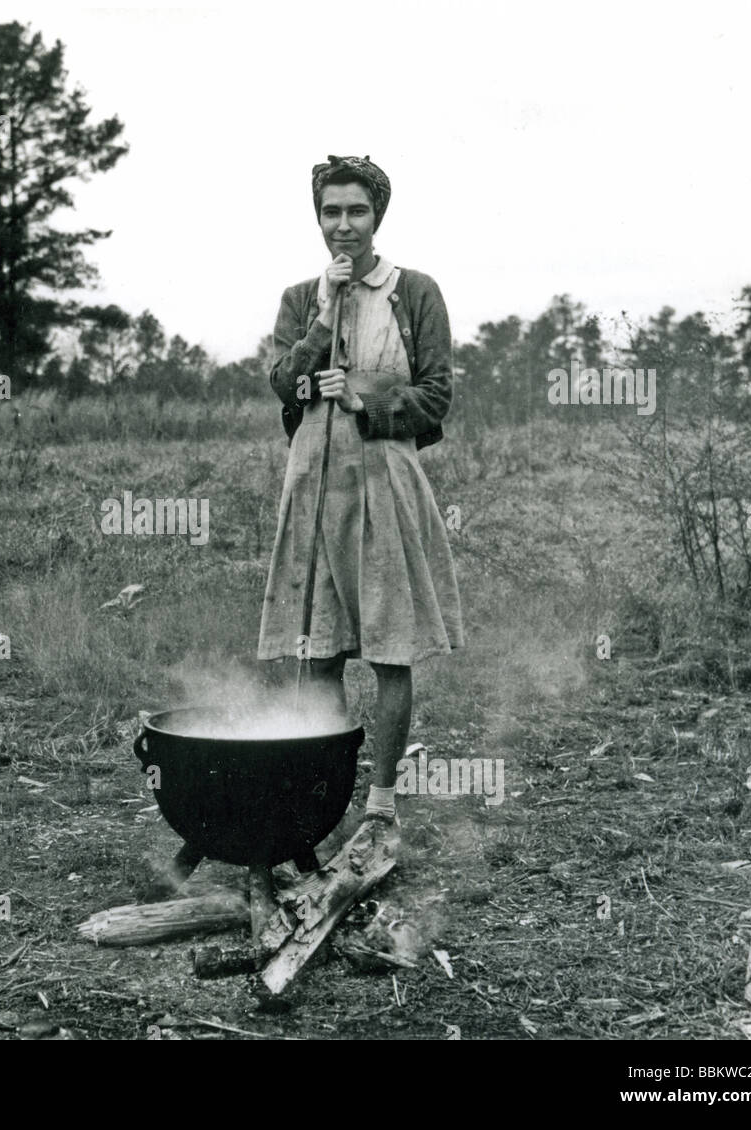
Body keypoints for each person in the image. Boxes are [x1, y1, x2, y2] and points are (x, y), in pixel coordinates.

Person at [258, 155, 463, 842]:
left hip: (385, 480)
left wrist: (364, 395)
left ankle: (379, 803)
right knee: (316, 651)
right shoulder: (298, 296)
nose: (342, 226)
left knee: (389, 649)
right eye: (330, 212)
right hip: (314, 483)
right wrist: (320, 322)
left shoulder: (416, 292)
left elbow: (437, 395)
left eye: (356, 212)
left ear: (377, 216)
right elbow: (284, 384)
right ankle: (325, 795)